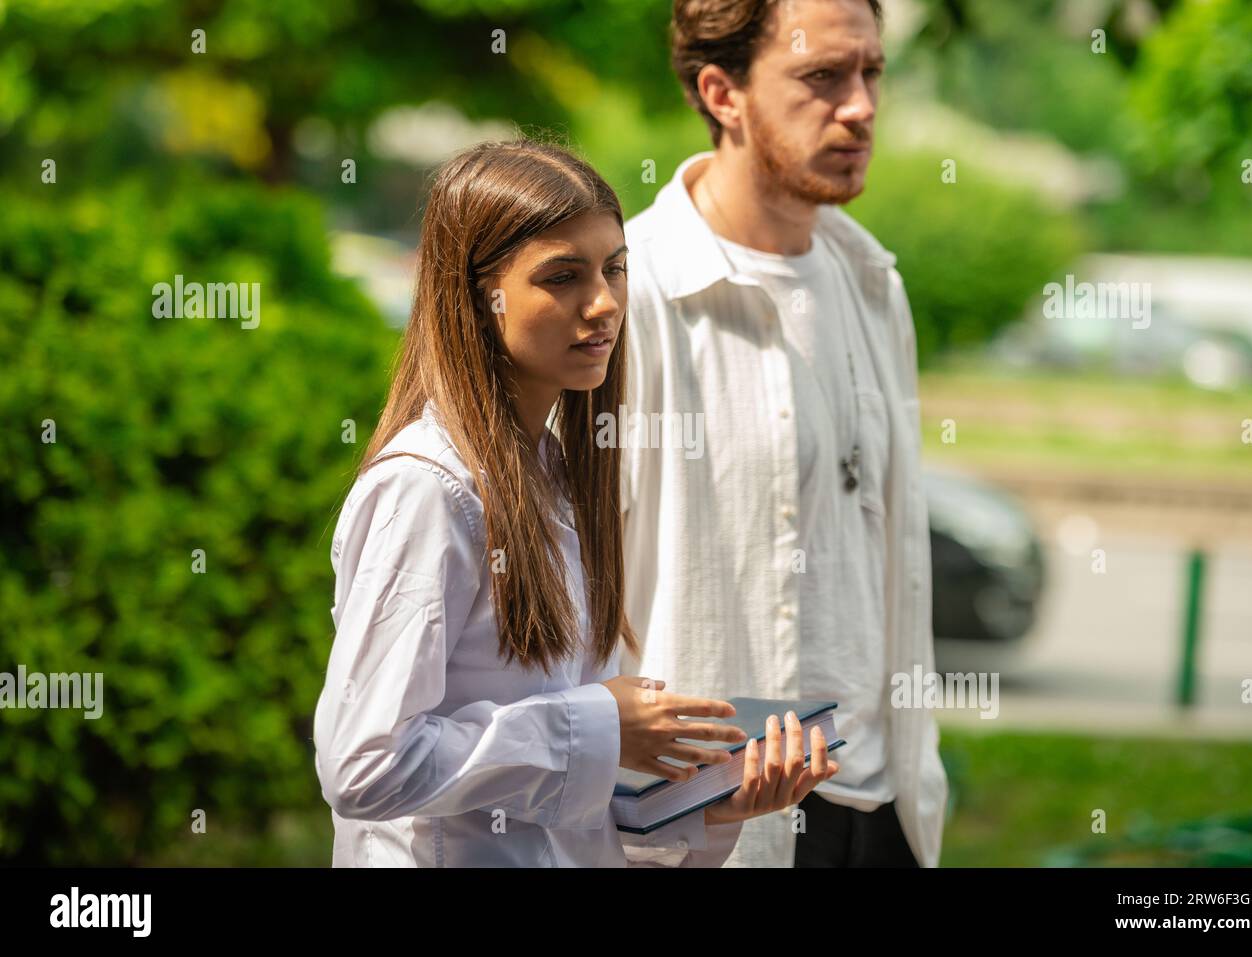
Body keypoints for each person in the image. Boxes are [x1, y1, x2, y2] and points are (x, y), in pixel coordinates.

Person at [312, 138, 838, 867]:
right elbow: (365, 765)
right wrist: (597, 724)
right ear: (475, 296)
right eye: (562, 276)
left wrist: (710, 802)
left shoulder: (555, 474)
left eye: (615, 269)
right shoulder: (426, 491)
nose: (604, 304)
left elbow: (555, 806)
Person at [619, 0, 948, 867]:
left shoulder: (874, 281)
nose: (861, 106)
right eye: (821, 77)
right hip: (712, 827)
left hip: (881, 807)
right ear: (722, 92)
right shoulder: (633, 293)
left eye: (872, 71)